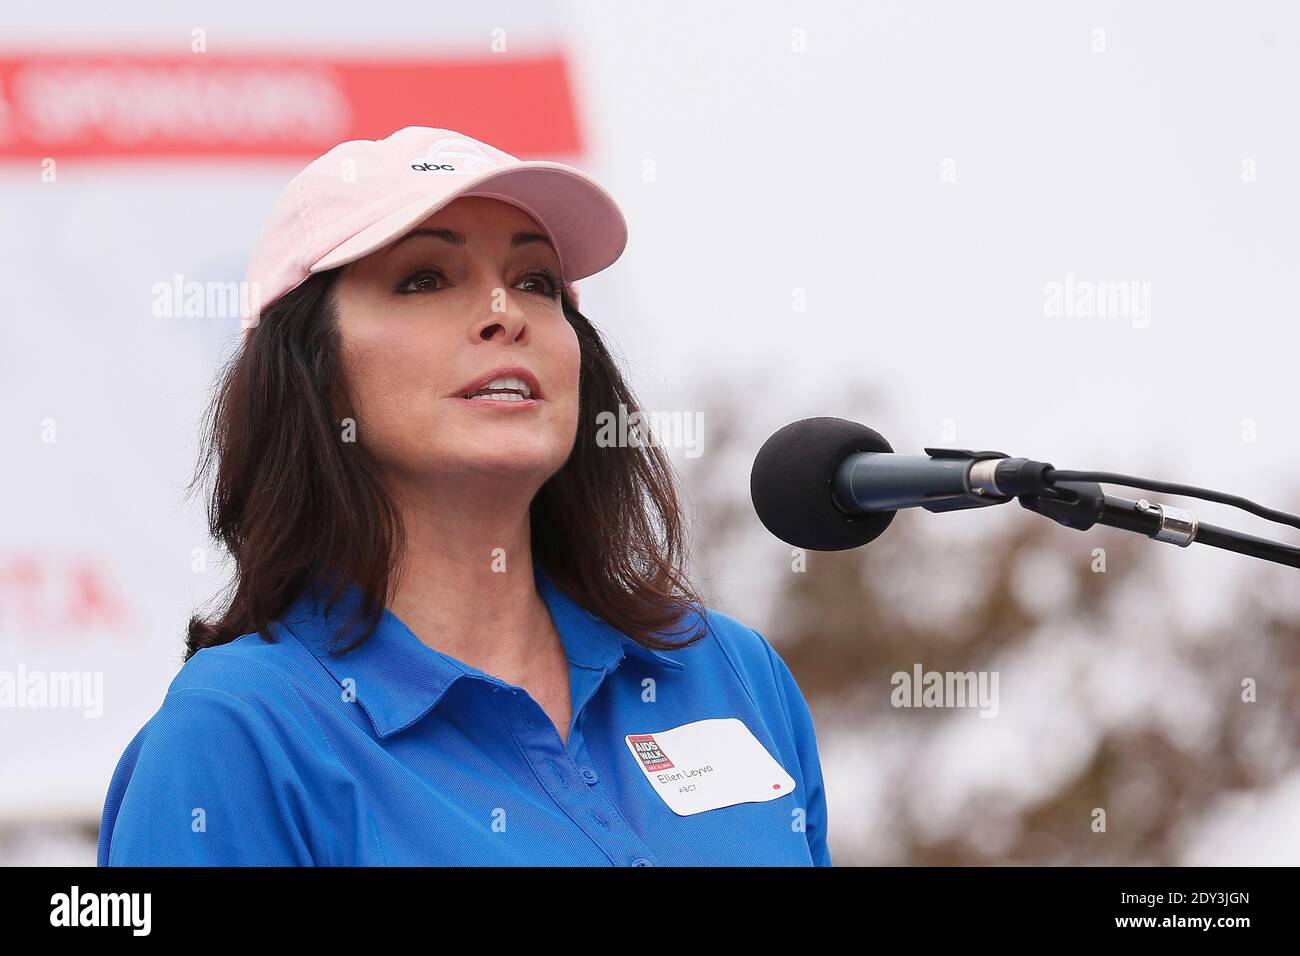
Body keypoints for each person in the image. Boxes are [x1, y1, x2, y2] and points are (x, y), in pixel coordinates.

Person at [96, 127, 831, 866]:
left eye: (538, 281)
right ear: (311, 370)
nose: (504, 311)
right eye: (424, 278)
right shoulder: (236, 735)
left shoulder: (728, 669)